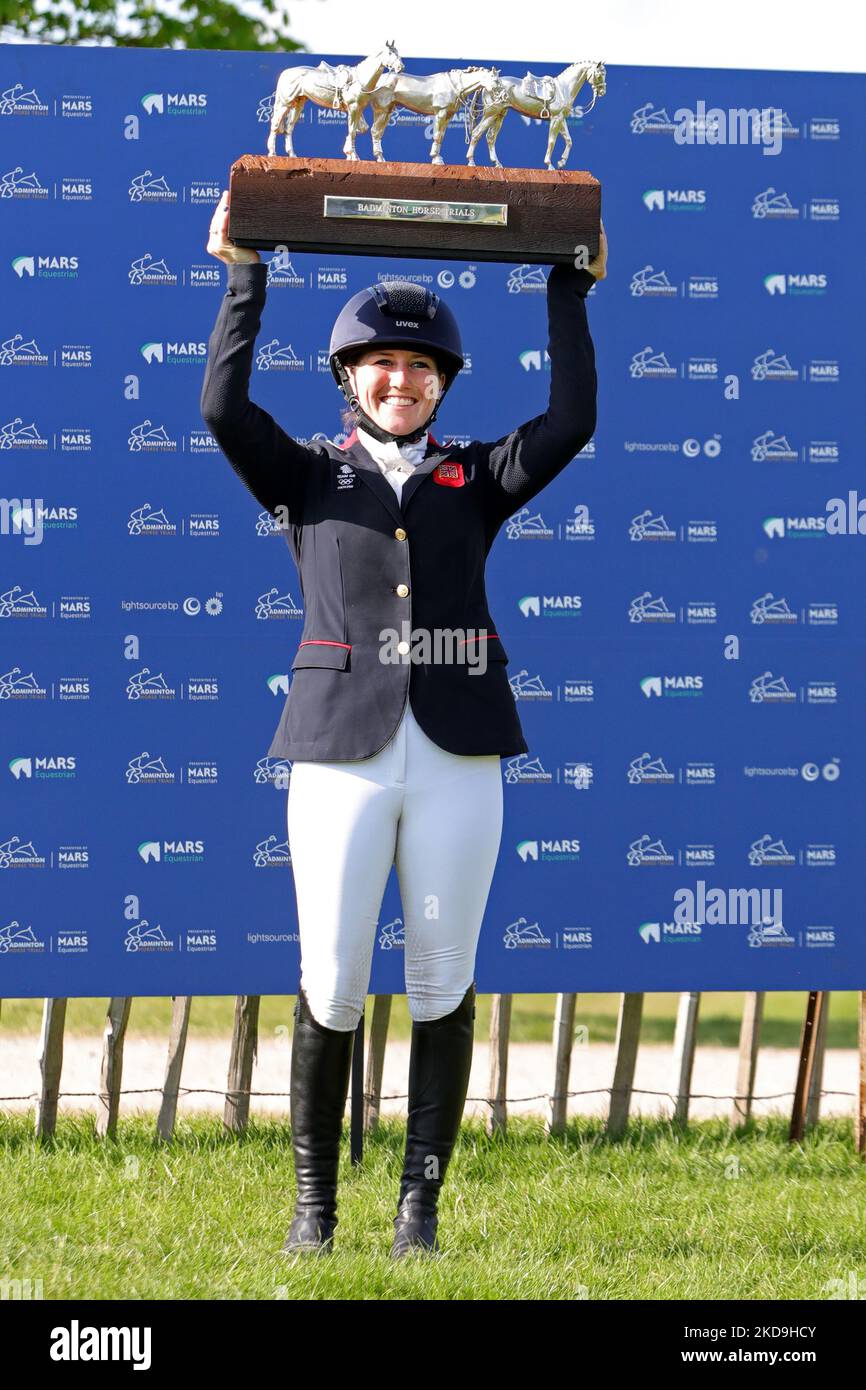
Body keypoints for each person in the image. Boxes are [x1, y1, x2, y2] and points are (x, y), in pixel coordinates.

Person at [201, 189, 604, 1259]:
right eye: (378, 363)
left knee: (439, 980)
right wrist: (246, 277)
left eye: (419, 366)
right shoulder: (305, 474)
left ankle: (417, 1209)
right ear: (346, 378)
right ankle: (313, 1210)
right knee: (331, 980)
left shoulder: (477, 477)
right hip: (338, 754)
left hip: (456, 753)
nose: (399, 378)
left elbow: (569, 421)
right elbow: (220, 410)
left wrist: (568, 288)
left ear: (442, 383)